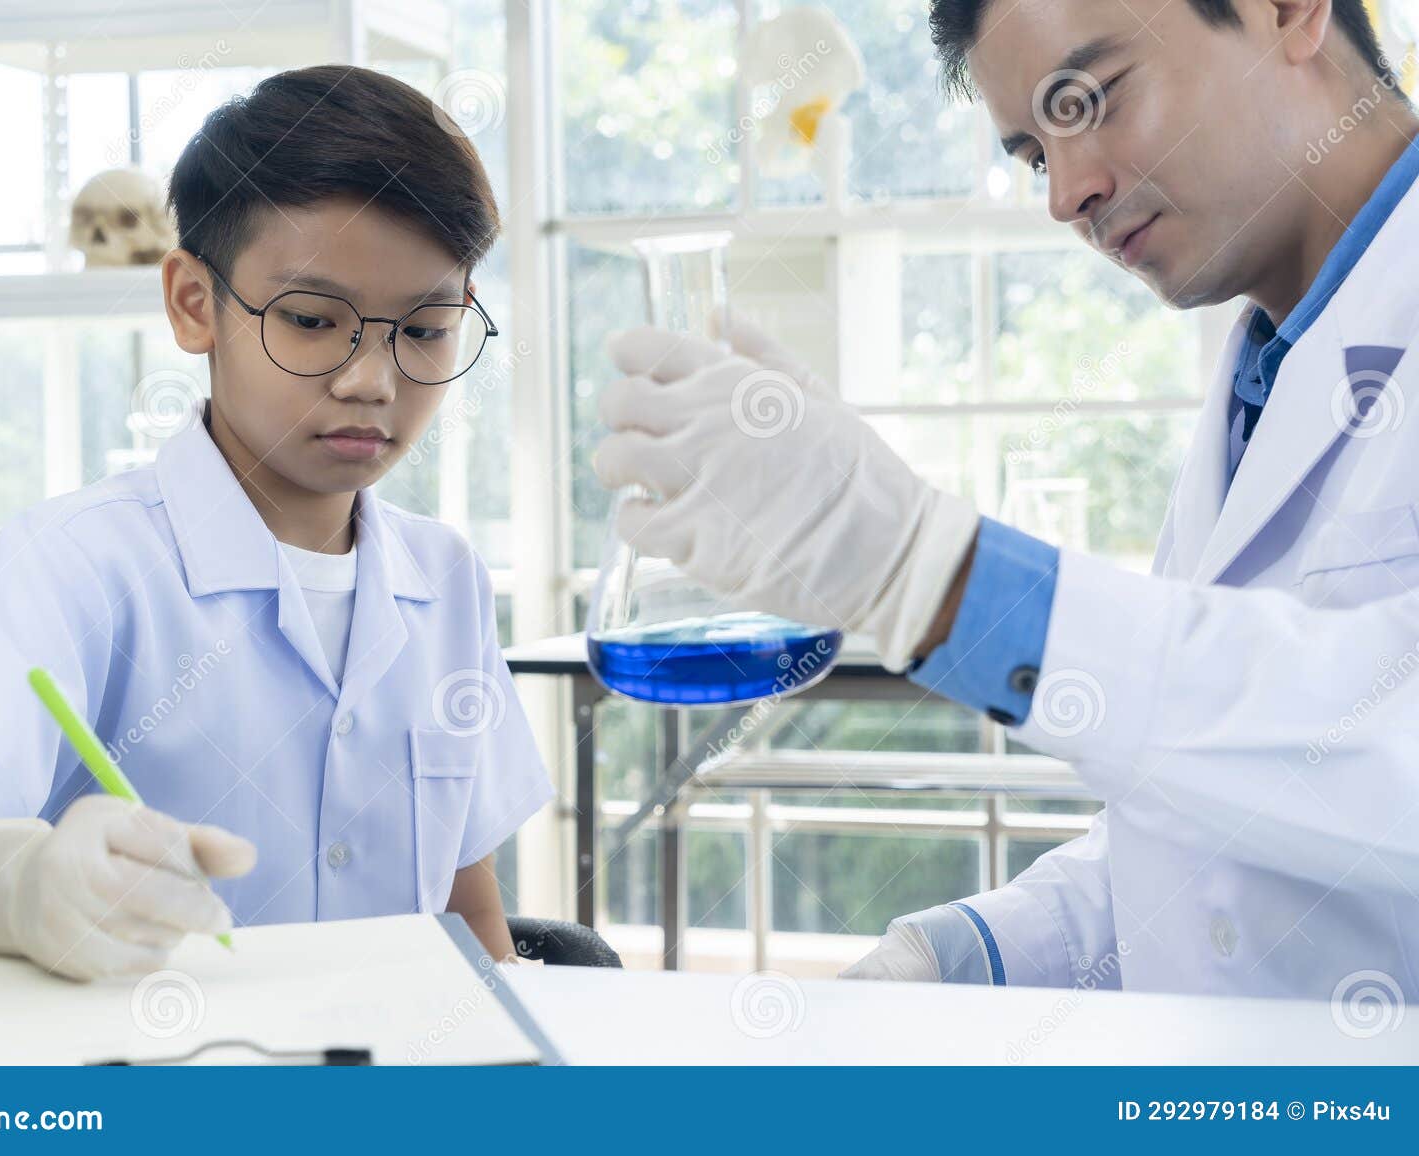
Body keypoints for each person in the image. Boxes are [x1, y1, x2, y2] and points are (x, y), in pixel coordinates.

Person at [595, 0, 1419, 998]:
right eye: (1033, 154)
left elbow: (1384, 754)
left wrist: (935, 575)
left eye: (1093, 98)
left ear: (1287, 12)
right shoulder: (1269, 369)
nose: (1068, 194)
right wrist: (962, 956)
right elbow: (1211, 842)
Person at [0, 65, 552, 980]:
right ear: (193, 304)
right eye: (312, 320)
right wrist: (18, 886)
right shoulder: (78, 566)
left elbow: (467, 904)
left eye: (424, 330)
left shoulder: (444, 579)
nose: (372, 380)